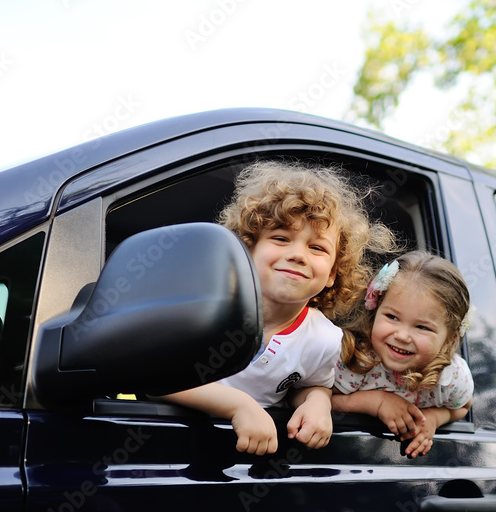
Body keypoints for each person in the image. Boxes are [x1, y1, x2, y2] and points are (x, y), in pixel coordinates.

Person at [155, 160, 394, 455]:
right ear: (246, 248)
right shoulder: (202, 309)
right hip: (167, 447)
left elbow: (311, 383)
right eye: (281, 238)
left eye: (317, 247)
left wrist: (317, 402)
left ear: (333, 272)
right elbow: (155, 376)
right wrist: (238, 405)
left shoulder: (323, 339)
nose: (297, 255)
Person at [332, 251, 474, 457]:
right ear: (375, 309)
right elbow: (316, 398)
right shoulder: (355, 359)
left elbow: (464, 406)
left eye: (422, 327)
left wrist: (433, 418)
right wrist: (377, 403)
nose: (402, 335)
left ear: (450, 339)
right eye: (392, 316)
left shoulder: (450, 377)